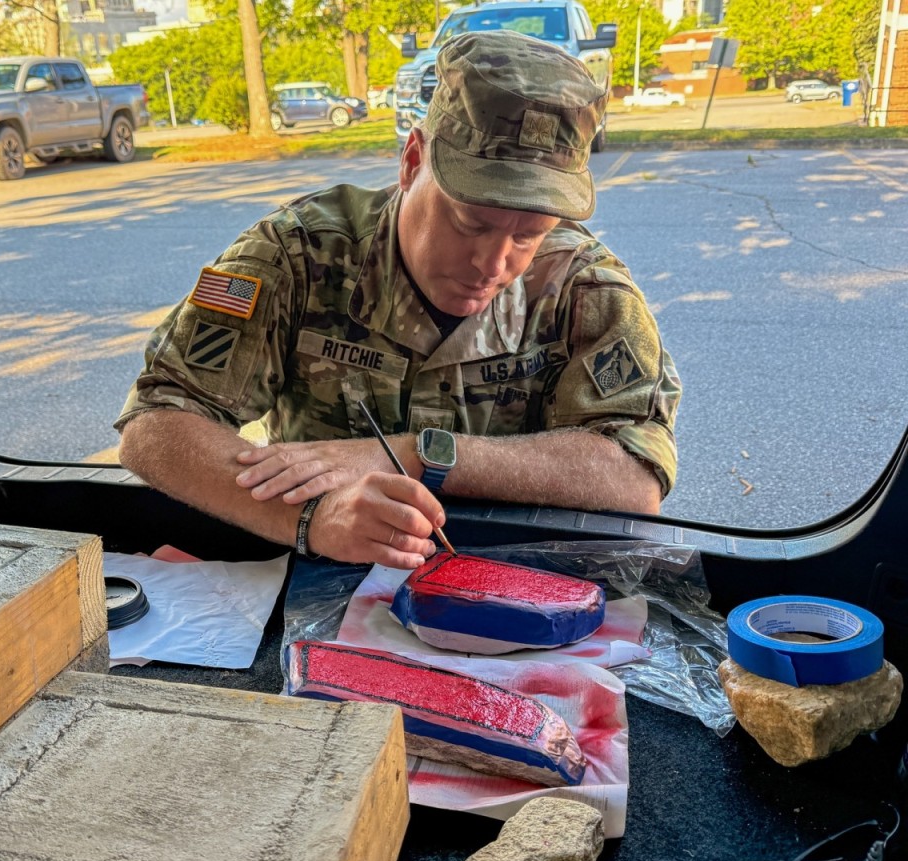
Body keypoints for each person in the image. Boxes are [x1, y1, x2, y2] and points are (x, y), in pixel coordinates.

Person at [115, 30, 681, 569]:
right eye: (472, 222)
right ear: (413, 161)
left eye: (528, 234)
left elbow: (634, 476)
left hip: (519, 589)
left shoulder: (586, 287)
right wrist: (311, 516)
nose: (493, 263)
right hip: (325, 576)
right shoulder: (292, 255)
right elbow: (156, 422)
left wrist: (422, 454)